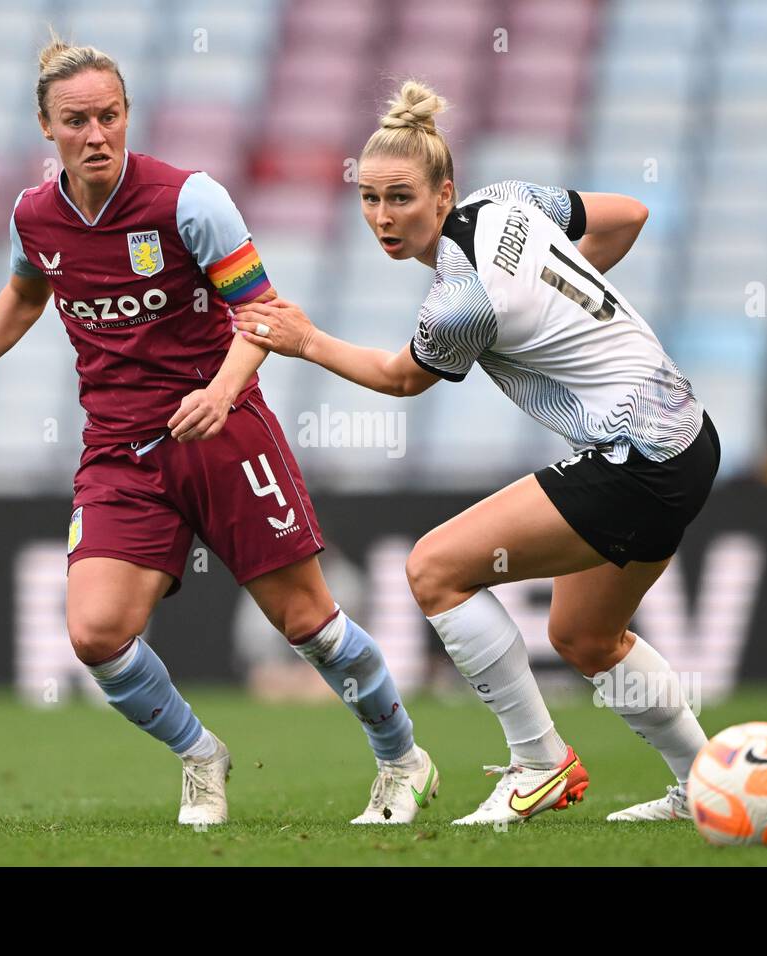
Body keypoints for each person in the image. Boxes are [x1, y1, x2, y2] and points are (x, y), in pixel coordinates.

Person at [0, 40, 439, 826]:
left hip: (224, 435)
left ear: (127, 116)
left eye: (110, 116)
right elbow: (27, 292)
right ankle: (200, 756)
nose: (97, 134)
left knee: (307, 624)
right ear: (46, 128)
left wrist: (223, 392)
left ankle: (401, 757)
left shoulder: (189, 200)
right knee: (95, 634)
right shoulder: (34, 215)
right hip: (121, 451)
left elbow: (261, 314)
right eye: (77, 120)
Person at [235, 80, 720, 826]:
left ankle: (539, 763)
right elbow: (630, 215)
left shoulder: (461, 299)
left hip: (638, 457)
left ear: (442, 193)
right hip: (688, 437)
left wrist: (306, 342)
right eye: (368, 199)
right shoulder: (508, 201)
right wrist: (565, 294)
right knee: (586, 639)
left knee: (434, 569)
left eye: (400, 198)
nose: (382, 218)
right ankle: (706, 787)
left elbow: (401, 379)